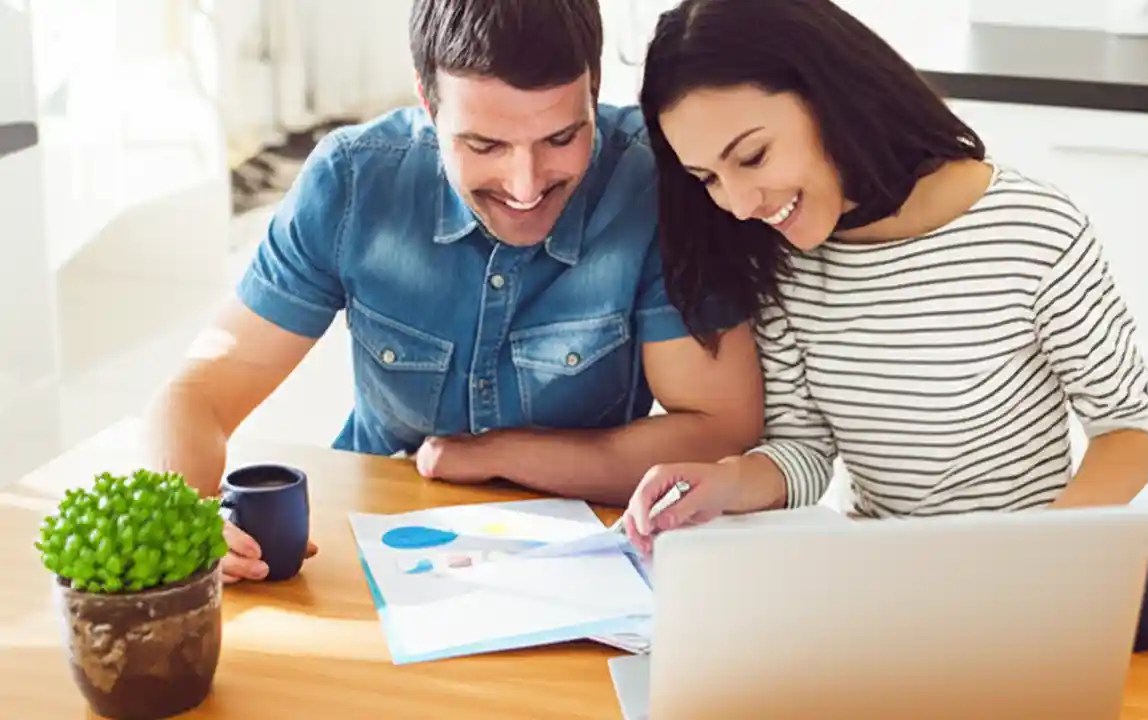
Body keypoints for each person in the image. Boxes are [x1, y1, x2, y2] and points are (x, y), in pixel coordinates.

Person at [143, 0, 765, 583]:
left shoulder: (655, 183)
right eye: (484, 145)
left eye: (559, 139)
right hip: (376, 537)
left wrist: (499, 454)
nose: (525, 186)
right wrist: (187, 516)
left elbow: (718, 428)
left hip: (587, 560)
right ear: (428, 102)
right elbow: (198, 394)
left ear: (594, 87)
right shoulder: (353, 182)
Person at [622, 0, 1148, 554]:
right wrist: (725, 482)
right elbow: (804, 453)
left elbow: (1130, 427)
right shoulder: (784, 263)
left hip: (1022, 586)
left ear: (829, 97)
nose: (738, 205)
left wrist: (1045, 549)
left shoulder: (1034, 229)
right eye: (707, 178)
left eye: (754, 156)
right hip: (876, 584)